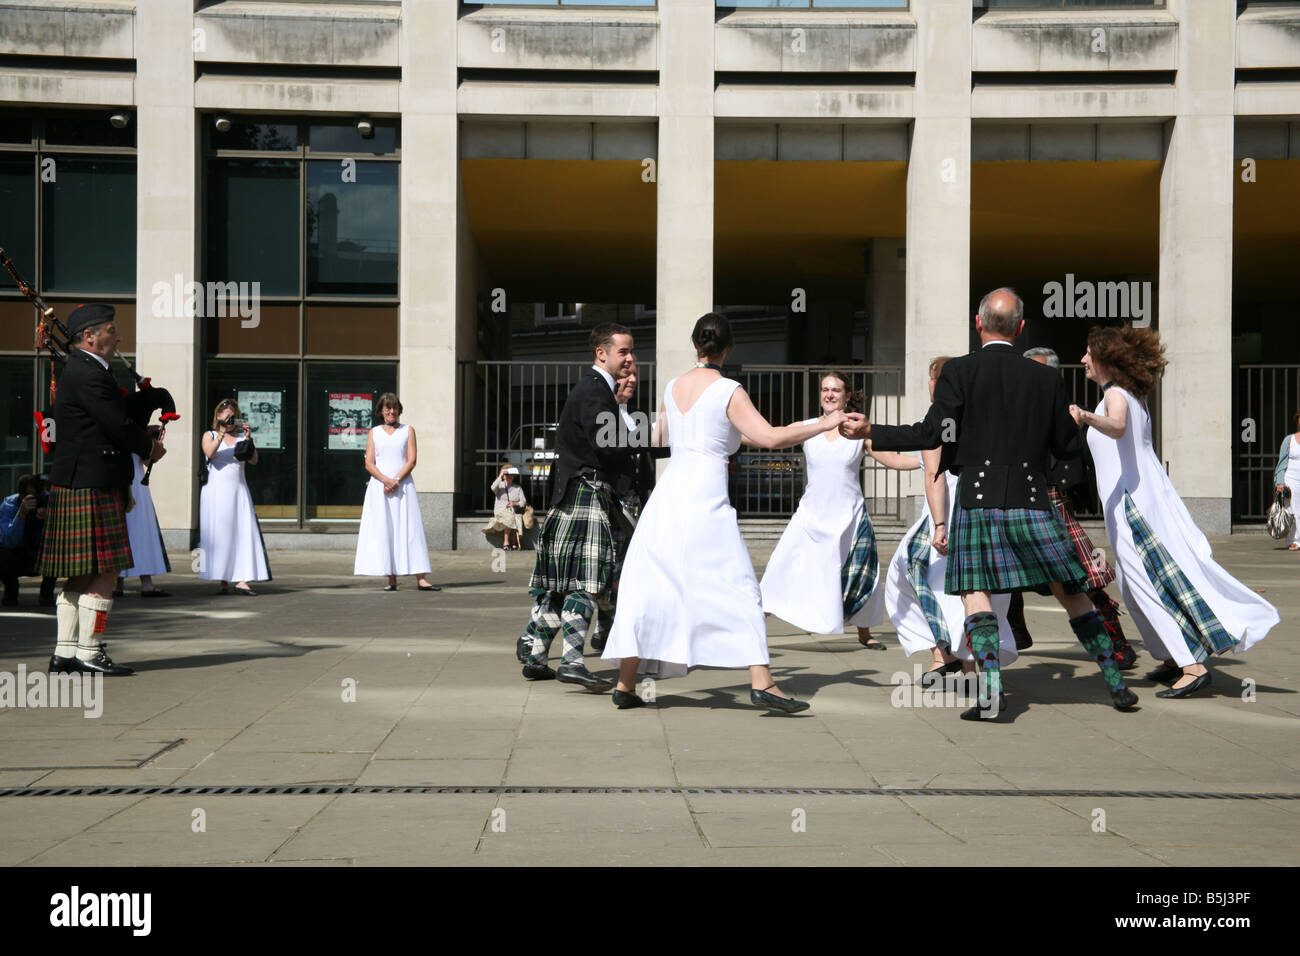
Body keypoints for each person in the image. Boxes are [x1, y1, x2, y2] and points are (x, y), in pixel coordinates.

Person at [842, 288, 1138, 721]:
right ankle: (1116, 685)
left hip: (976, 502)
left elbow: (930, 435)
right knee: (1072, 593)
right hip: (1033, 500)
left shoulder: (958, 373)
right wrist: (1074, 425)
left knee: (975, 594)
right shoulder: (1045, 378)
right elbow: (1065, 446)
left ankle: (991, 694)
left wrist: (873, 429)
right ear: (1020, 329)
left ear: (978, 324)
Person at [601, 313, 845, 713]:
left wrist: (620, 415)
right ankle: (763, 682)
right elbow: (768, 437)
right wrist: (824, 422)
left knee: (648, 587)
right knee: (741, 586)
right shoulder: (729, 389)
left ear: (696, 344)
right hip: (704, 498)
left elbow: (662, 436)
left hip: (667, 497)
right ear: (729, 347)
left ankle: (626, 683)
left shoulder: (673, 385)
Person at [1072, 326, 1279, 698]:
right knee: (1136, 587)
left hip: (1132, 505)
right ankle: (1171, 657)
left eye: (1089, 353)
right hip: (1134, 500)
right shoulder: (1129, 395)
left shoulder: (1117, 395)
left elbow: (1117, 428)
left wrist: (1085, 417)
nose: (1084, 360)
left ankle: (1191, 665)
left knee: (1142, 583)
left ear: (1105, 359)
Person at [37, 303, 164, 676]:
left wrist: (140, 432)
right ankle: (90, 652)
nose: (118, 336)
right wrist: (148, 446)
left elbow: (109, 421)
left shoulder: (78, 369)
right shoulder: (89, 372)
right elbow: (115, 425)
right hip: (93, 481)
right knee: (107, 570)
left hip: (81, 480)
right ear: (89, 337)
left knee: (79, 573)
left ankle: (64, 652)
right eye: (111, 329)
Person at [881, 357, 1019, 686]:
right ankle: (947, 657)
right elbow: (911, 462)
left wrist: (941, 526)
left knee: (946, 587)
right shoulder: (979, 418)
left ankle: (962, 664)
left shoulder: (942, 420)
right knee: (947, 585)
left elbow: (934, 475)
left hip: (952, 511)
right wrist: (871, 444)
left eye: (935, 379)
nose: (931, 385)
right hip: (976, 509)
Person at [516, 323, 638, 692]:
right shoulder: (593, 390)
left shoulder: (597, 390)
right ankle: (571, 661)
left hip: (577, 496)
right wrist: (657, 436)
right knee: (584, 582)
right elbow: (609, 442)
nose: (631, 359)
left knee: (558, 585)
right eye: (624, 352)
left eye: (632, 352)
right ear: (602, 353)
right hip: (586, 493)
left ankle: (537, 657)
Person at [1008, 346, 1136, 668]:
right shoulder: (1015, 405)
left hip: (1049, 495)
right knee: (1003, 567)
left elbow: (1072, 453)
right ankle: (1016, 630)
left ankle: (1116, 642)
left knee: (1080, 574)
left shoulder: (1061, 408)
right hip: (1016, 494)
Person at [760, 370, 888, 649]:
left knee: (857, 574)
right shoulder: (807, 426)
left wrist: (923, 459)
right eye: (824, 389)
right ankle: (753, 626)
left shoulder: (857, 430)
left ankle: (864, 633)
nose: (829, 394)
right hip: (810, 515)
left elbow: (890, 457)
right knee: (780, 567)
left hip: (849, 516)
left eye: (836, 390)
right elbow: (770, 436)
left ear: (847, 396)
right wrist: (727, 437)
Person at [354, 393, 438, 591]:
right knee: (386, 530)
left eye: (394, 408)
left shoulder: (408, 430)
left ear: (399, 410)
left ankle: (421, 578)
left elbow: (411, 460)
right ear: (381, 411)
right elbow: (369, 462)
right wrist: (385, 480)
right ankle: (391, 579)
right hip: (380, 488)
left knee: (411, 530)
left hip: (403, 488)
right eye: (387, 408)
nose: (391, 411)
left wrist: (396, 480)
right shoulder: (374, 432)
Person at [199, 399, 271, 595]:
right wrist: (222, 432)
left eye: (233, 417)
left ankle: (241, 578)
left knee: (241, 532)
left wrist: (249, 439)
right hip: (216, 492)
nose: (230, 420)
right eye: (226, 416)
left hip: (238, 490)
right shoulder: (210, 434)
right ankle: (222, 579)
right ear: (218, 417)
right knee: (220, 534)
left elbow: (254, 460)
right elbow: (209, 452)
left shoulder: (240, 438)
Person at [114, 431, 172, 598]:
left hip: (137, 484)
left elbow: (148, 461)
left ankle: (145, 584)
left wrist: (155, 444)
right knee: (122, 531)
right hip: (118, 481)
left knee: (141, 530)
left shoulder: (138, 432)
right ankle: (118, 583)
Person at [1, 473, 56, 607]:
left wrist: (49, 519)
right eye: (30, 497)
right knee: (2, 554)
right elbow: (8, 541)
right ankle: (11, 593)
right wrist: (21, 514)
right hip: (18, 555)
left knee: (56, 549)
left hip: (41, 554)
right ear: (21, 496)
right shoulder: (9, 505)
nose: (34, 500)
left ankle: (47, 596)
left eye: (37, 496)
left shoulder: (49, 501)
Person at [483, 463, 527, 551]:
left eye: (510, 474)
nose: (509, 476)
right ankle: (507, 541)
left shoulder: (517, 488)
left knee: (514, 516)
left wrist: (515, 503)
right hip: (501, 511)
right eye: (507, 474)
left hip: (513, 510)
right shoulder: (500, 486)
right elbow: (492, 488)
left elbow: (523, 501)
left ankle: (512, 541)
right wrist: (500, 475)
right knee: (510, 516)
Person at [1275, 412, 1300, 551]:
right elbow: (1282, 461)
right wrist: (1279, 482)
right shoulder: (1289, 440)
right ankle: (1293, 540)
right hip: (1291, 479)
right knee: (1293, 510)